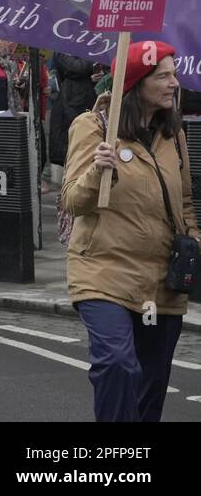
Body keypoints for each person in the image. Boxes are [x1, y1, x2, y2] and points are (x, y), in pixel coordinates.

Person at [63, 41, 196, 422]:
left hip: (159, 282)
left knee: (150, 385)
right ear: (137, 82)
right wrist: (96, 172)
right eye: (164, 76)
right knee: (118, 365)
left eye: (174, 74)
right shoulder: (93, 127)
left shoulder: (174, 134)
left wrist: (194, 240)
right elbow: (73, 200)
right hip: (104, 273)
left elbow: (185, 202)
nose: (174, 83)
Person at [49, 53, 103, 185]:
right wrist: (96, 60)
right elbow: (75, 67)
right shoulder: (64, 46)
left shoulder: (97, 46)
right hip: (70, 104)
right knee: (70, 154)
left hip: (91, 102)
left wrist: (102, 73)